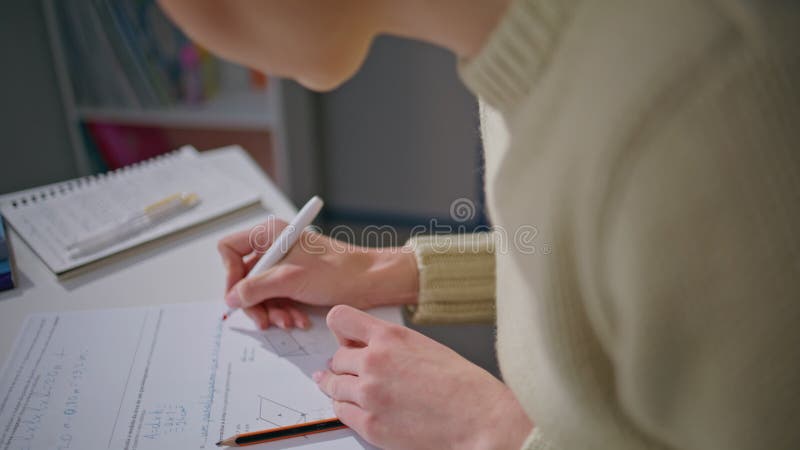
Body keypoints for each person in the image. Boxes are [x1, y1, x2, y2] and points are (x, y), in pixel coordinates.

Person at [158, 1, 800, 449]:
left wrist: (495, 431)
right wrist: (380, 269)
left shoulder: (703, 108)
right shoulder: (529, 50)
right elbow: (623, 265)